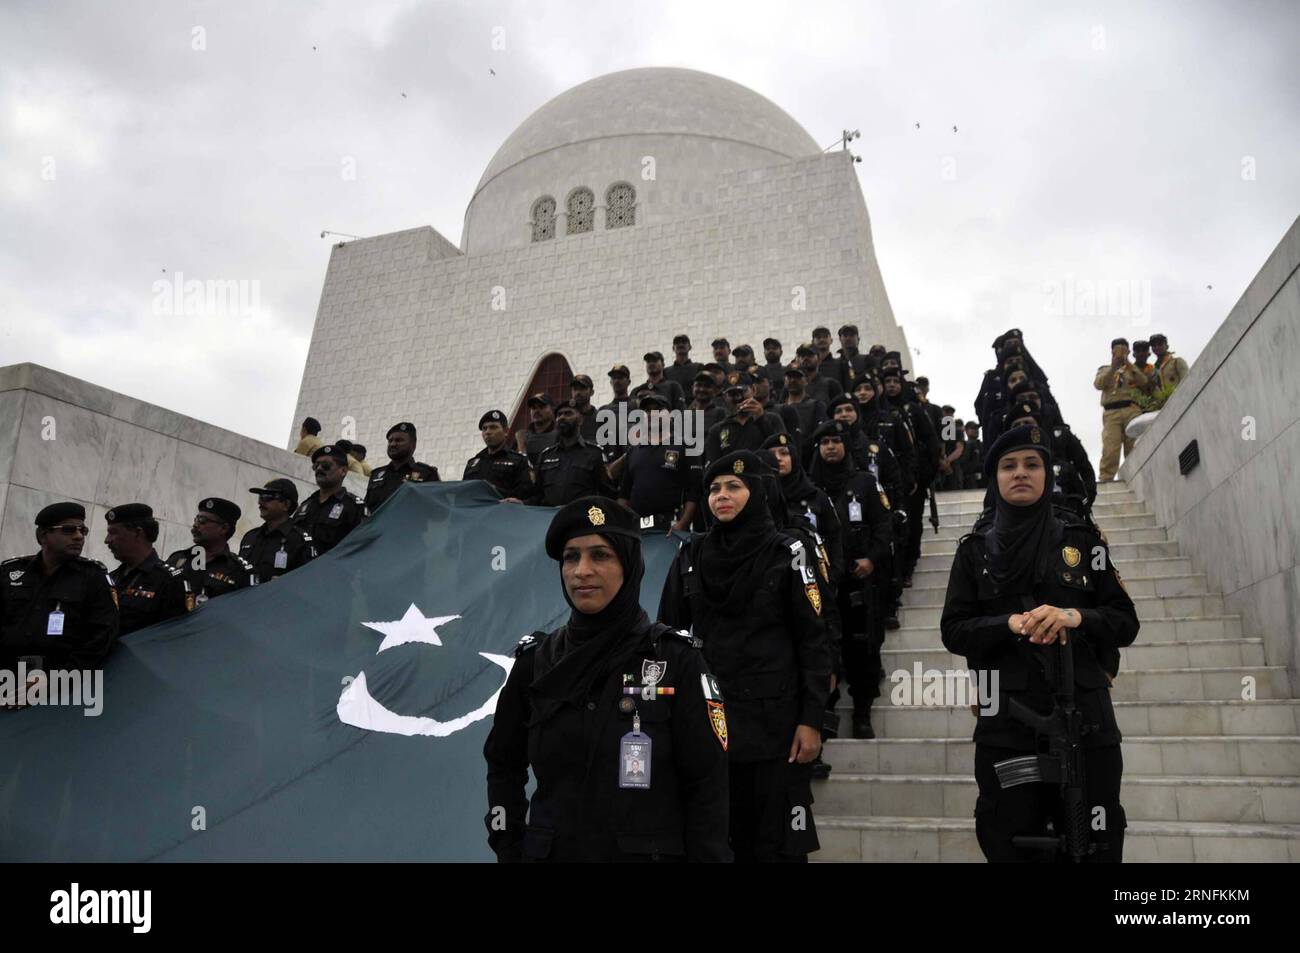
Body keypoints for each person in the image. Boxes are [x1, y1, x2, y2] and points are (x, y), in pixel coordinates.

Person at [483, 497, 730, 862]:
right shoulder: (536, 663)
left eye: (600, 555)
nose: (581, 570)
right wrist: (509, 846)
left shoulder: (677, 660)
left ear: (629, 565)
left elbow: (707, 786)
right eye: (571, 557)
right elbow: (503, 765)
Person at [940, 424, 1138, 863]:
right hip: (1007, 718)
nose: (1020, 473)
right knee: (1007, 834)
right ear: (994, 478)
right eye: (1008, 466)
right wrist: (1008, 623)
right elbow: (953, 629)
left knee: (1097, 839)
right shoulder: (974, 552)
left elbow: (1125, 621)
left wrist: (1074, 616)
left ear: (1048, 474)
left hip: (1085, 717)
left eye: (1032, 464)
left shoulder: (1083, 544)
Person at [659, 450, 830, 862]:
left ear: (757, 492)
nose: (722, 496)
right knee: (718, 841)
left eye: (734, 486)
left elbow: (813, 640)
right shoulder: (691, 555)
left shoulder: (788, 552)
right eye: (714, 489)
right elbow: (668, 635)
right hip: (711, 723)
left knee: (777, 844)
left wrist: (812, 720)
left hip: (776, 725)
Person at [808, 422, 893, 738]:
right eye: (824, 441)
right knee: (822, 648)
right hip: (820, 583)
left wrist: (872, 559)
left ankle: (862, 712)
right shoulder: (807, 488)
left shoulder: (865, 483)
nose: (830, 446)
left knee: (862, 647)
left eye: (835, 441)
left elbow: (884, 525)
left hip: (858, 579)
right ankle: (825, 712)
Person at [1, 503, 119, 679]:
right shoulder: (11, 572)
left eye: (82, 530)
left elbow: (101, 639)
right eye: (68, 530)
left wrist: (56, 682)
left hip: (58, 686)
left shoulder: (93, 578)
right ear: (43, 536)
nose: (78, 536)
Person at [104, 503, 193, 634]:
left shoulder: (170, 581)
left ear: (137, 533)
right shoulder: (113, 577)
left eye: (113, 533)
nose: (107, 540)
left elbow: (174, 636)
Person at [617, 393, 699, 533]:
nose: (651, 414)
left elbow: (695, 491)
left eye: (658, 410)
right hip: (638, 529)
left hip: (671, 527)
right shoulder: (634, 451)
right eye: (647, 411)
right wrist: (625, 523)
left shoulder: (685, 447)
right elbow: (624, 494)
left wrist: (683, 523)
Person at [525, 400, 614, 506]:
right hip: (550, 518)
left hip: (582, 518)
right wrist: (521, 503)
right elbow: (537, 495)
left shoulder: (595, 454)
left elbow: (607, 495)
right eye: (559, 415)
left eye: (568, 413)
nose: (562, 417)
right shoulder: (545, 456)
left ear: (580, 420)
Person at [166, 498, 256, 602]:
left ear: (224, 528)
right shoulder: (177, 559)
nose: (195, 525)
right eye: (196, 519)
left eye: (202, 521)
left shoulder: (241, 571)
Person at [294, 444, 369, 553]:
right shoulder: (306, 506)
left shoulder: (354, 507)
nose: (319, 469)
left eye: (326, 466)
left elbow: (361, 548)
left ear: (343, 471)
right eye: (316, 466)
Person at [1093, 338, 1148, 481]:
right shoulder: (1104, 369)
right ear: (1112, 351)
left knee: (1134, 446)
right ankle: (1106, 478)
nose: (1121, 352)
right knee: (1110, 448)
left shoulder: (1132, 369)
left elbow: (1143, 381)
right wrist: (1113, 367)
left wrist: (1128, 364)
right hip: (1111, 412)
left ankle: (1135, 476)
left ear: (1129, 351)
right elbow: (1098, 384)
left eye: (1124, 350)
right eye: (1118, 349)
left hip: (1131, 409)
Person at [240, 480, 317, 582]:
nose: (260, 502)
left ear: (286, 504)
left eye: (267, 497)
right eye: (260, 497)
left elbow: (309, 579)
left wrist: (287, 583)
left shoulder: (300, 540)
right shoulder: (250, 537)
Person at [703, 376, 786, 464]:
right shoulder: (718, 429)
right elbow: (711, 466)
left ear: (754, 390)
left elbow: (784, 451)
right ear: (725, 397)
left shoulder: (773, 419)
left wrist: (761, 419)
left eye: (742, 392)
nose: (738, 398)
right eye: (732, 394)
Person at [364, 421, 440, 512]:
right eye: (390, 441)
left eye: (399, 440)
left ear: (413, 445)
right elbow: (366, 510)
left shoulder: (427, 474)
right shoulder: (376, 475)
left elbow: (438, 513)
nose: (392, 444)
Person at [462, 411, 533, 500]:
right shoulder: (473, 463)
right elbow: (463, 492)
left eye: (493, 427)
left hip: (503, 511)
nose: (488, 432)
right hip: (475, 512)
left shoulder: (519, 461)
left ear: (506, 431)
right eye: (484, 428)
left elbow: (526, 495)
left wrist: (494, 491)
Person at [518, 392, 557, 467]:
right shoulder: (521, 438)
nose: (537, 411)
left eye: (542, 407)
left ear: (552, 409)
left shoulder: (561, 436)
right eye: (533, 408)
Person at [568, 374, 600, 441]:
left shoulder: (600, 419)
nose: (578, 392)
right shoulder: (565, 419)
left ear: (592, 392)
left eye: (582, 388)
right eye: (575, 389)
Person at [960, 421, 985, 490]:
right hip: (969, 480)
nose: (976, 430)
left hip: (984, 479)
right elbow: (963, 463)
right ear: (966, 431)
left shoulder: (982, 445)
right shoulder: (964, 445)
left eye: (977, 428)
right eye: (973, 428)